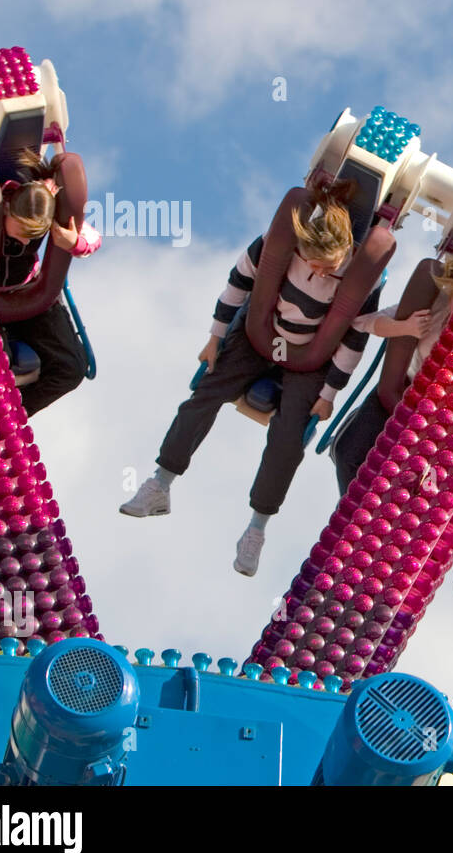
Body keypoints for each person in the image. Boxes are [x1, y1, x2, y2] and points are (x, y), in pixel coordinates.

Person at [119, 182, 430, 576]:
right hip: (263, 336)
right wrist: (215, 338)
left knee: (288, 439)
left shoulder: (355, 275)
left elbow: (354, 335)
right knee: (205, 395)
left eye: (327, 268)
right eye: (313, 263)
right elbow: (239, 282)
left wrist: (329, 393)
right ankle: (160, 483)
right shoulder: (280, 245)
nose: (319, 271)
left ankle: (255, 530)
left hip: (308, 357)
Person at [0, 149, 101, 415]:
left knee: (71, 368)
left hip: (29, 294)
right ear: (6, 209)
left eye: (33, 236)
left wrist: (75, 242)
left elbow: (93, 238)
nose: (27, 242)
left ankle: (8, 416)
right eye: (20, 232)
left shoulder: (45, 211)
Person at [328, 255, 453, 494]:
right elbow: (364, 323)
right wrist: (405, 327)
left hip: (440, 413)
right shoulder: (435, 304)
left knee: (407, 481)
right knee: (349, 453)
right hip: (404, 389)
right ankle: (352, 511)